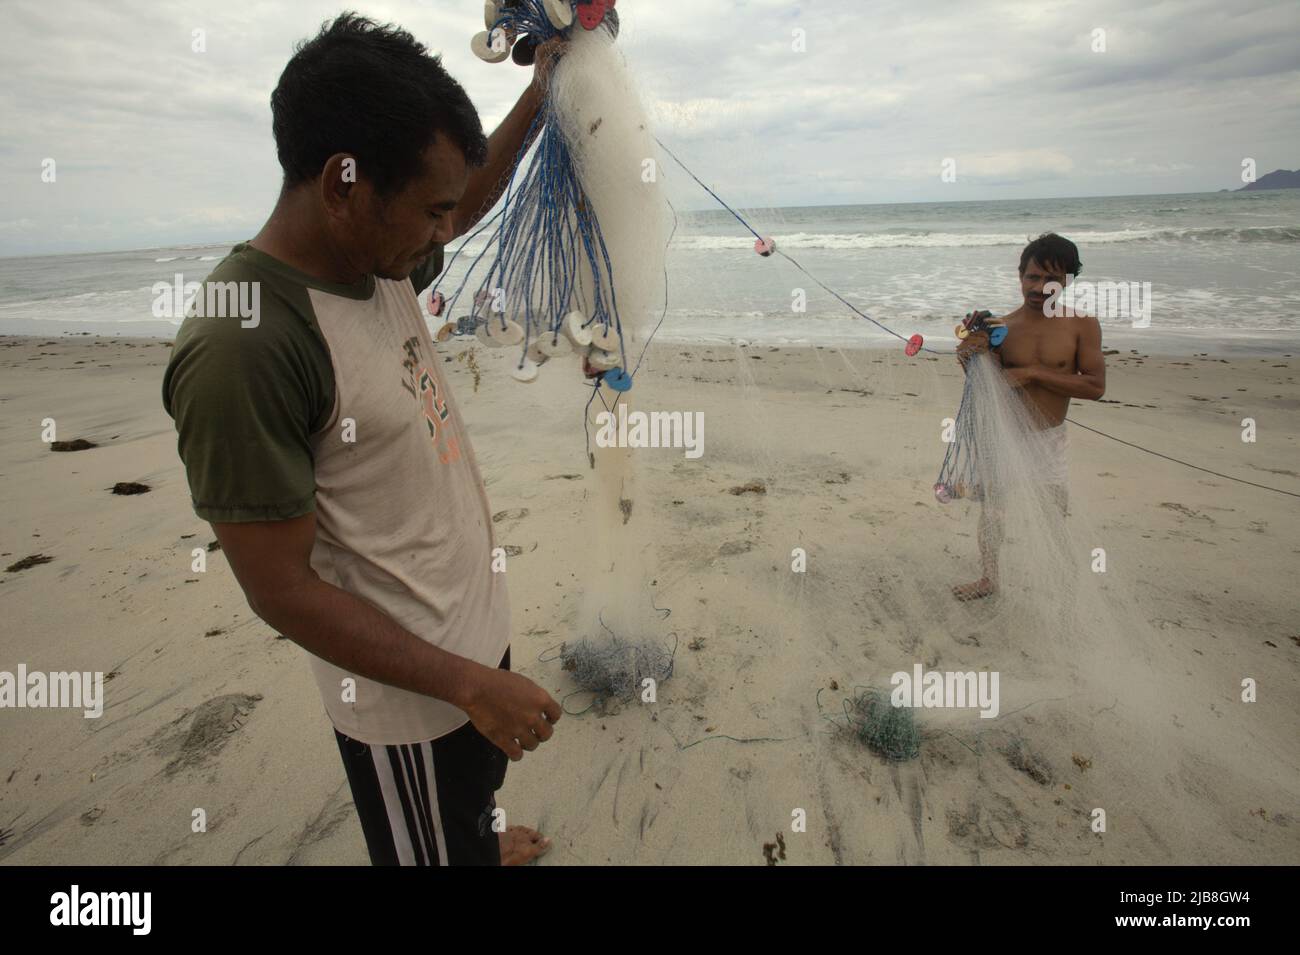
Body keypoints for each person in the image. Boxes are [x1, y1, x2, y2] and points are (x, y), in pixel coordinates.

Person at [162, 13, 565, 865]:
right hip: (412, 708)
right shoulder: (248, 340)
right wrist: (467, 685)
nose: (443, 232)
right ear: (344, 184)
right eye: (429, 210)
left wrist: (541, 89)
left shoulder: (373, 257)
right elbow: (280, 589)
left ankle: (477, 842)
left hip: (472, 657)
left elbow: (466, 200)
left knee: (470, 810)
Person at [952, 233, 1106, 601]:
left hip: (1047, 439)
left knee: (1054, 514)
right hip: (1002, 435)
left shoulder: (1082, 325)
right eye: (1032, 277)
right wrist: (972, 352)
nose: (1040, 288)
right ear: (1020, 276)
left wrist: (1033, 374)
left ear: (1068, 279)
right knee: (993, 511)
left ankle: (1062, 584)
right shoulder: (1000, 328)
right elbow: (985, 385)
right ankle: (989, 578)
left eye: (1053, 278)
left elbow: (1095, 386)